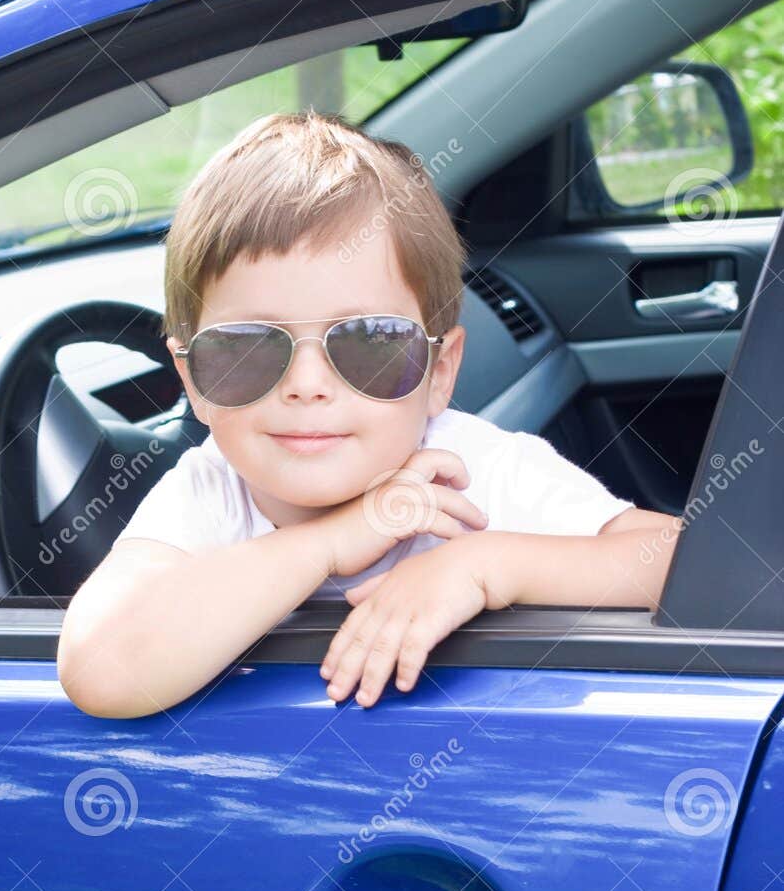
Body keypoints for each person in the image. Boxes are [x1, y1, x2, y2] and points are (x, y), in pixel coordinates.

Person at [58, 110, 681, 717]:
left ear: (440, 372)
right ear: (192, 377)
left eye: (368, 341)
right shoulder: (208, 491)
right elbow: (102, 673)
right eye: (247, 346)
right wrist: (328, 543)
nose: (306, 386)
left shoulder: (479, 472)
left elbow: (687, 561)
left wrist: (488, 566)